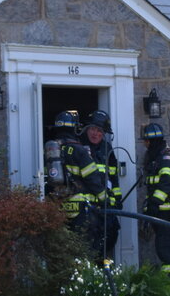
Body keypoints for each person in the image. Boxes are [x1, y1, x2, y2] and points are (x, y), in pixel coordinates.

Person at [52, 110, 107, 256]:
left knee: (63, 249)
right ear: (75, 128)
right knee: (86, 248)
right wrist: (105, 200)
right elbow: (93, 179)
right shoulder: (79, 150)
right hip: (81, 209)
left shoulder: (52, 150)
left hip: (59, 208)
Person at [140, 123, 170, 279]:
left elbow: (166, 183)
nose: (145, 144)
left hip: (169, 212)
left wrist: (154, 203)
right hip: (162, 211)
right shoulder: (157, 158)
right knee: (163, 248)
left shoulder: (167, 158)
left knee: (168, 249)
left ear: (152, 141)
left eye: (146, 141)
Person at [84, 110, 122, 259]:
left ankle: (102, 269)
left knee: (112, 233)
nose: (95, 133)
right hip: (87, 205)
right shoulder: (79, 147)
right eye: (92, 129)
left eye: (99, 130)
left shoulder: (107, 149)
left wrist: (117, 199)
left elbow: (114, 177)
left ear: (104, 133)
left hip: (106, 204)